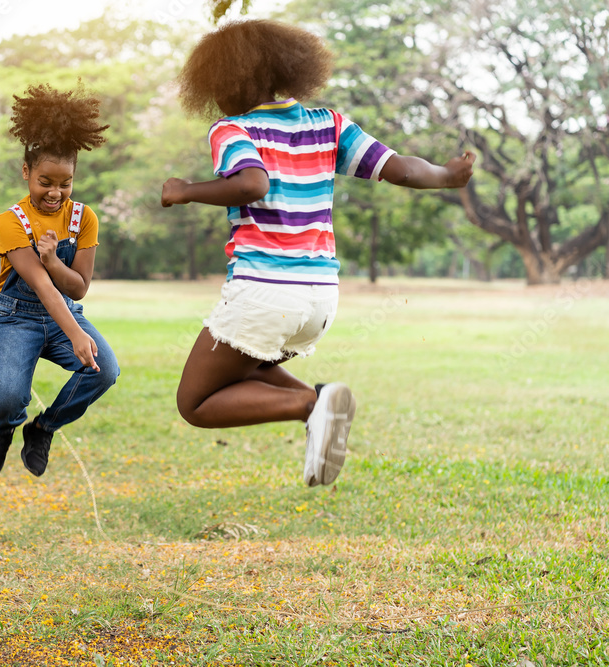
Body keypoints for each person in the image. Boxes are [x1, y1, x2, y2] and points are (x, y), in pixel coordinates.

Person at [160, 19, 475, 487]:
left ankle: (310, 405)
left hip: (265, 290)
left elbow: (251, 183)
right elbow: (400, 170)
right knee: (254, 364)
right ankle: (322, 399)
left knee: (197, 402)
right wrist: (446, 176)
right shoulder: (329, 125)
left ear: (231, 80)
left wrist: (186, 191)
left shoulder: (232, 129)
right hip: (321, 297)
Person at [0, 83, 120, 478]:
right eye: (45, 182)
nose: (55, 192)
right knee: (7, 398)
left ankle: (42, 429)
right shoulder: (12, 221)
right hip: (14, 317)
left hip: (65, 313)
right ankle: (3, 428)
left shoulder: (83, 218)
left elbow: (77, 288)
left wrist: (54, 259)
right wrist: (75, 333)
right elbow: (39, 286)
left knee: (105, 370)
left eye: (65, 182)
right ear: (26, 172)